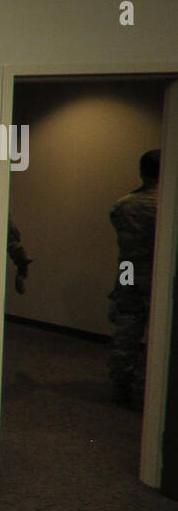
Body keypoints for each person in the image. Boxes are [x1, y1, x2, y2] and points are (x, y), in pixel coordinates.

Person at [108, 149, 160, 407]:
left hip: (129, 271)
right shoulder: (167, 205)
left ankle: (121, 385)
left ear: (142, 171)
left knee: (126, 329)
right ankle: (151, 389)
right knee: (160, 333)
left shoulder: (125, 204)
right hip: (158, 277)